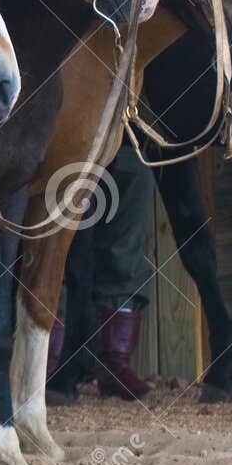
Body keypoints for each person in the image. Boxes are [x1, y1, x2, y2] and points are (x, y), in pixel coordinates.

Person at [48, 142, 156, 403]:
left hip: (125, 127)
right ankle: (48, 360)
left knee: (128, 232)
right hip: (65, 133)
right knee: (56, 246)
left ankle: (114, 362)